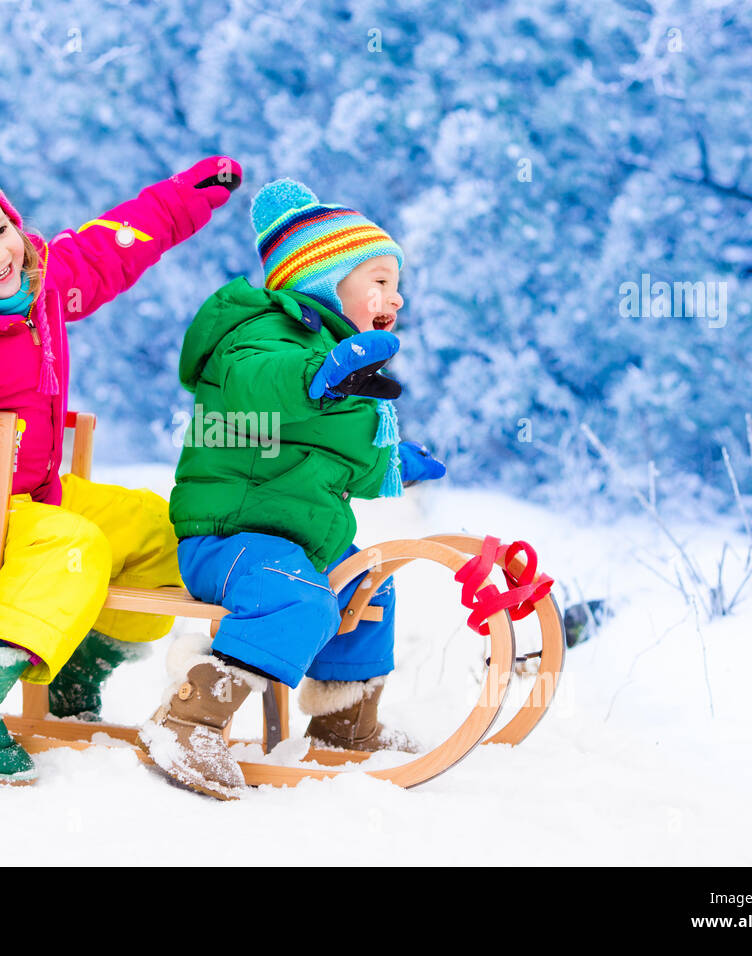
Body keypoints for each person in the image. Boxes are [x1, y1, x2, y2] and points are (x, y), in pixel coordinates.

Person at [0, 121, 242, 785]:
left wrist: (184, 197)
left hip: (33, 496)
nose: (2, 253)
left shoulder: (41, 284)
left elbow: (115, 245)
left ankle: (77, 667)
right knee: (72, 549)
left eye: (1, 227)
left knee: (163, 534)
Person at [139, 178, 447, 800]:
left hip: (294, 543)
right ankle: (188, 720)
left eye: (397, 284)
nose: (396, 296)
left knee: (366, 584)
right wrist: (321, 376)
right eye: (380, 280)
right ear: (324, 278)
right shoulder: (261, 334)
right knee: (300, 600)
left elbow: (334, 452)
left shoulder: (337, 360)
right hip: (228, 540)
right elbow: (261, 385)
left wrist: (390, 463)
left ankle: (344, 726)